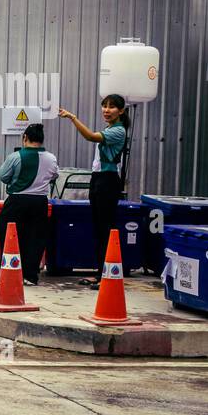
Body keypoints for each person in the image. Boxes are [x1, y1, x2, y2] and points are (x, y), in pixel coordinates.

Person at [59, 95, 131, 287]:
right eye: (104, 106)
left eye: (112, 107)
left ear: (121, 111)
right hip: (99, 178)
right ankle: (101, 273)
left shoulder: (118, 131)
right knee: (99, 229)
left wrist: (73, 118)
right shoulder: (110, 128)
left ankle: (108, 275)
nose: (107, 110)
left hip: (107, 181)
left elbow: (90, 136)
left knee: (105, 229)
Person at [0, 123, 59, 286]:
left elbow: (2, 176)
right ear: (42, 140)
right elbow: (54, 175)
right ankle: (30, 276)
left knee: (11, 236)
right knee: (35, 238)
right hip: (40, 202)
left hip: (17, 201)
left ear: (25, 138)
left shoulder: (16, 157)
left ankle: (10, 272)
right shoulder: (51, 158)